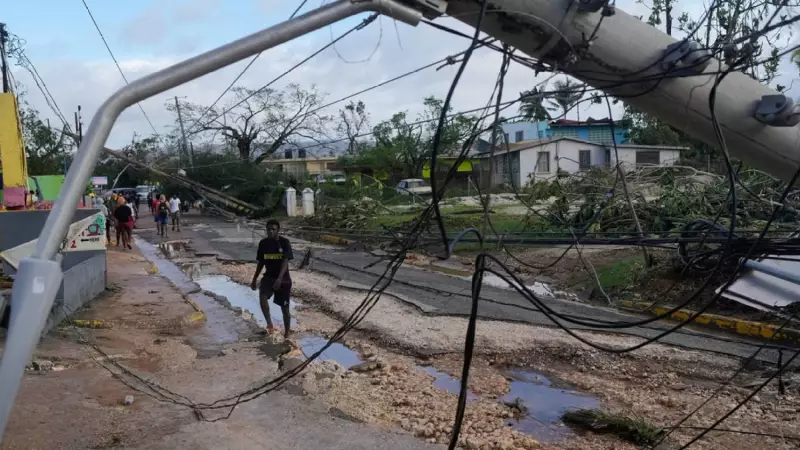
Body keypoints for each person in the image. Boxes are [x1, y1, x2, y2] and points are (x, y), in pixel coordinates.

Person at [250, 219, 293, 338]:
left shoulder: (284, 243)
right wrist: (254, 279)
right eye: (268, 229)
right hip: (268, 277)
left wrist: (279, 279)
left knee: (285, 309)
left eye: (273, 229)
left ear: (278, 230)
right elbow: (261, 263)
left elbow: (285, 262)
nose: (270, 231)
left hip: (283, 279)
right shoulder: (263, 243)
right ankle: (270, 325)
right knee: (262, 297)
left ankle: (287, 333)